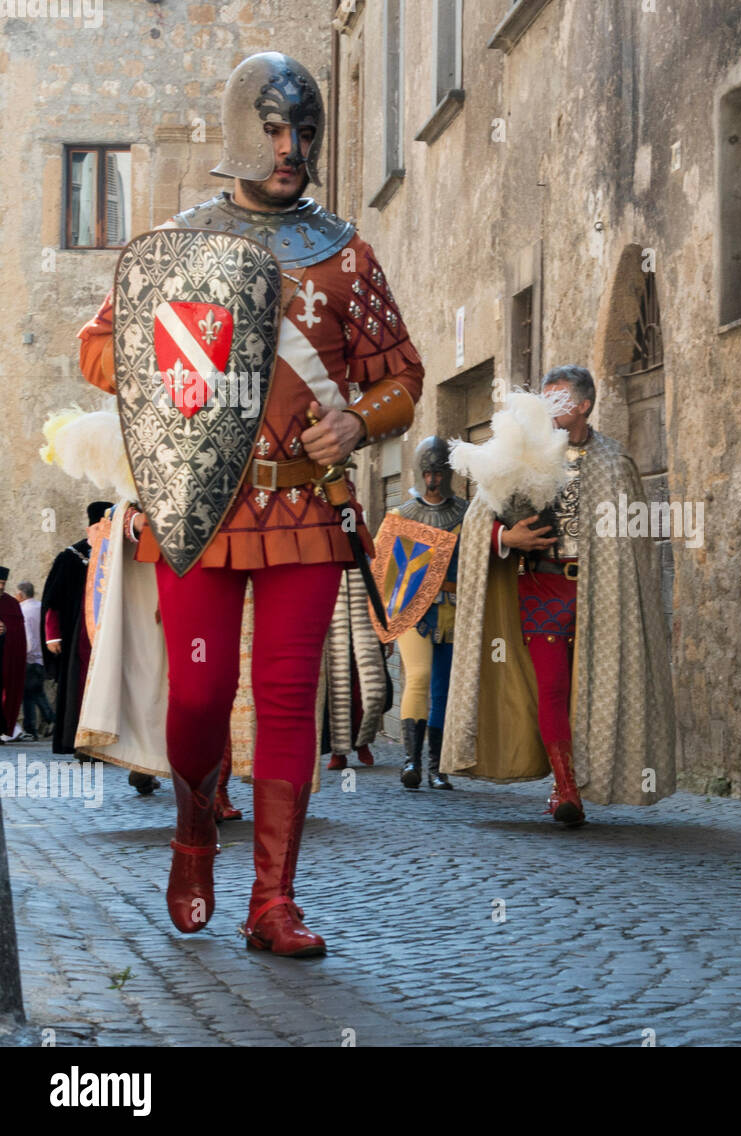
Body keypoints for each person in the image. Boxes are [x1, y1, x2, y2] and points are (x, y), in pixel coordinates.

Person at [77, 52, 422, 956]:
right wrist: (169, 387)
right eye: (273, 130)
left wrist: (353, 426)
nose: (290, 148)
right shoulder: (179, 244)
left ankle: (274, 902)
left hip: (306, 509)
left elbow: (404, 380)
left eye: (304, 132)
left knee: (286, 699)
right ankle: (195, 831)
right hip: (201, 500)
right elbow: (100, 348)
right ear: (241, 132)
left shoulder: (348, 254)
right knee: (197, 694)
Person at [442, 366, 675, 826]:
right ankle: (567, 790)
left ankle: (585, 779)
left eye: (559, 399)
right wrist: (509, 538)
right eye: (543, 399)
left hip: (602, 594)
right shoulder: (519, 453)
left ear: (585, 405)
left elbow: (635, 544)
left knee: (594, 689)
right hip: (540, 588)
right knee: (552, 688)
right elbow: (473, 524)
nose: (547, 408)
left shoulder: (613, 462)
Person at [393, 436, 464, 791]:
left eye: (439, 472)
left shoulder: (467, 515)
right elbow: (386, 572)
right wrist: (384, 624)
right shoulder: (401, 516)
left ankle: (438, 767)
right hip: (412, 610)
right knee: (418, 677)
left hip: (453, 610)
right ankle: (411, 762)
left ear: (448, 473)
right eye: (428, 472)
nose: (433, 479)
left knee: (443, 689)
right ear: (420, 473)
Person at [39, 502, 111, 754]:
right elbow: (52, 601)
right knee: (78, 688)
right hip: (76, 636)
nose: (103, 533)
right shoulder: (71, 557)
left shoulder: (114, 558)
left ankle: (106, 745)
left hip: (108, 638)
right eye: (98, 528)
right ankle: (80, 743)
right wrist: (52, 635)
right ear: (89, 529)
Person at [322, 568, 387, 771]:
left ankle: (362, 741)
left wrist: (385, 627)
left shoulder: (363, 543)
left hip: (365, 622)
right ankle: (338, 751)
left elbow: (380, 582)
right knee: (336, 691)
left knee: (366, 691)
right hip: (332, 624)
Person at [16, 582, 53, 739]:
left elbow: (28, 638)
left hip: (30, 658)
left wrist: (24, 654)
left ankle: (42, 723)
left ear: (20, 595)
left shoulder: (23, 610)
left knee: (30, 695)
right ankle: (33, 728)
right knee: (35, 693)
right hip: (42, 658)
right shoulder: (40, 606)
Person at [0, 569, 27, 743]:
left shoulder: (11, 603)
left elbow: (19, 633)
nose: (1, 587)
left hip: (5, 657)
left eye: (3, 584)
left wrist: (6, 630)